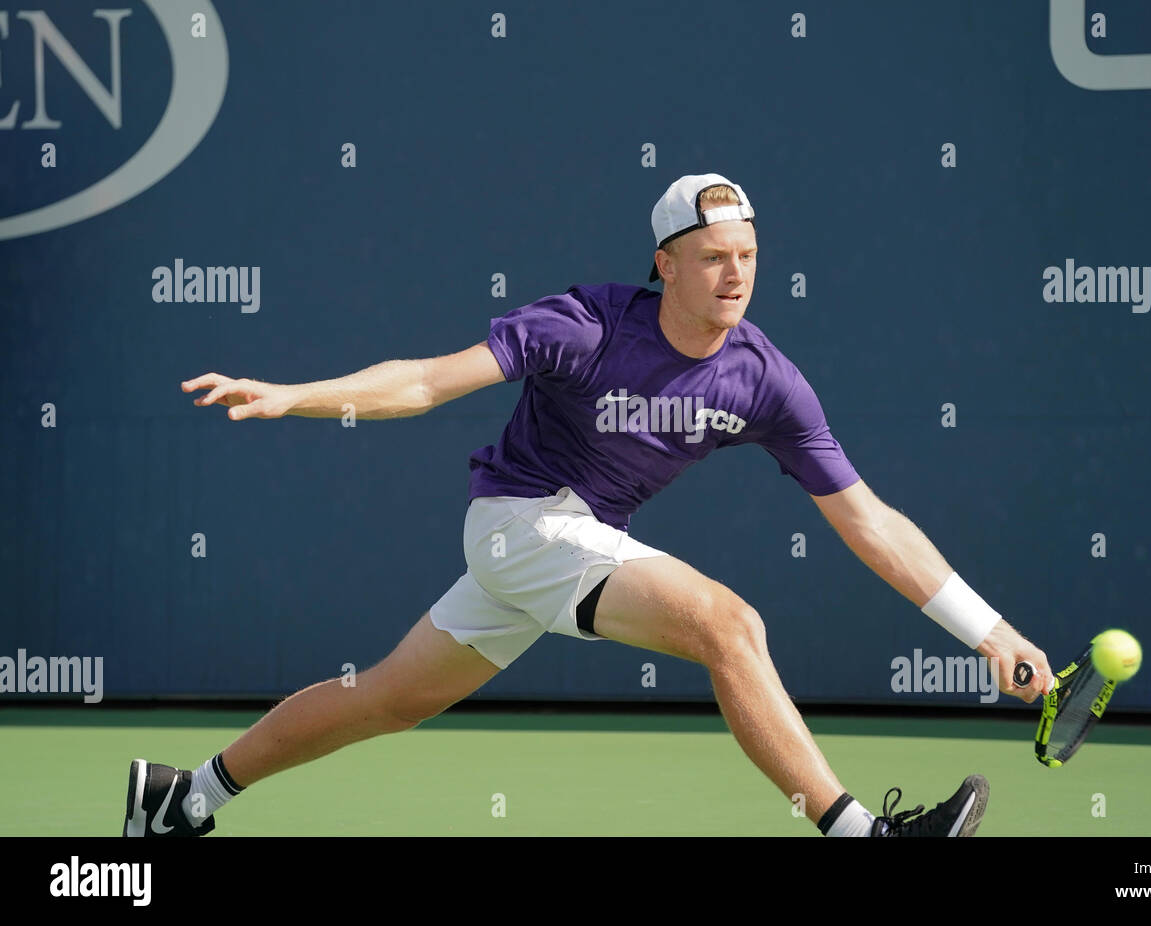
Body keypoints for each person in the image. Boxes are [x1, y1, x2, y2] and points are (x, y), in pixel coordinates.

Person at [124, 173, 1053, 838]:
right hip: (520, 522)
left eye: (750, 257)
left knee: (386, 700)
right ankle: (858, 836)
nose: (737, 274)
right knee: (729, 624)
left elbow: (868, 518)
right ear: (667, 264)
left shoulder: (766, 378)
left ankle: (183, 798)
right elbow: (426, 381)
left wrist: (988, 632)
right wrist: (298, 394)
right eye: (714, 257)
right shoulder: (585, 325)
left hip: (570, 544)